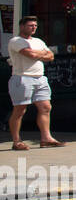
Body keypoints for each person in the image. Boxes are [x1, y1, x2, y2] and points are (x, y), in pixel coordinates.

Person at [8, 16, 64, 150]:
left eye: (35, 26)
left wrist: (38, 53)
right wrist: (42, 54)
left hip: (40, 77)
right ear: (22, 27)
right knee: (20, 110)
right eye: (30, 25)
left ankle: (46, 138)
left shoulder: (38, 41)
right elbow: (30, 55)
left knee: (46, 107)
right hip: (22, 77)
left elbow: (51, 56)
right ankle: (16, 141)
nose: (33, 28)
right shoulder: (16, 41)